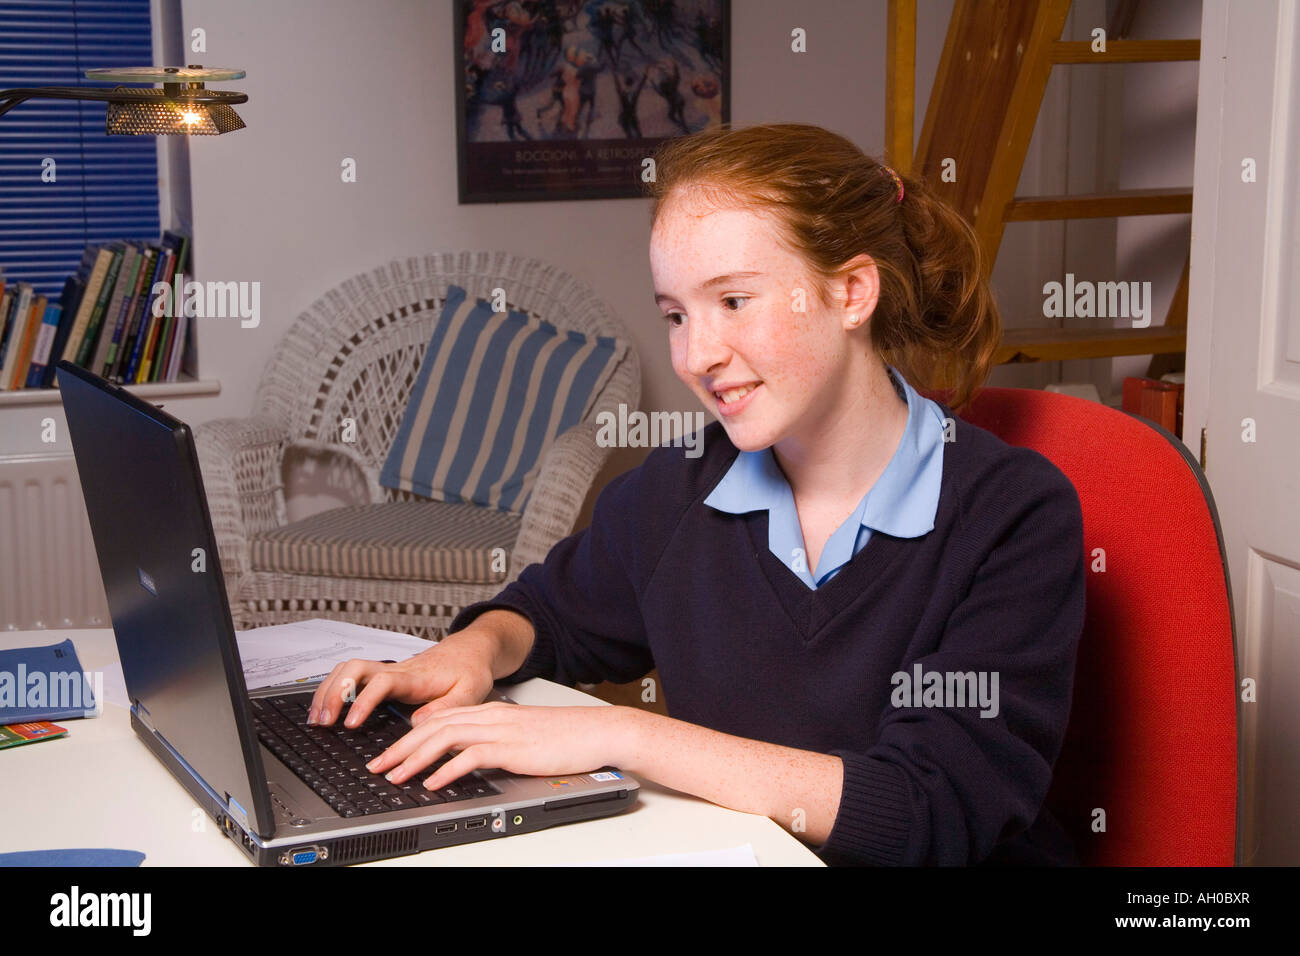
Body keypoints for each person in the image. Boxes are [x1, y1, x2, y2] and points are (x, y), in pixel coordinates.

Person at [307, 123, 1087, 866]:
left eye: (734, 302)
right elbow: (549, 615)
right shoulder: (682, 484)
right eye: (676, 315)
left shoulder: (1012, 516)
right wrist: (469, 652)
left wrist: (623, 737)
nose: (696, 355)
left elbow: (927, 810)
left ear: (851, 293)